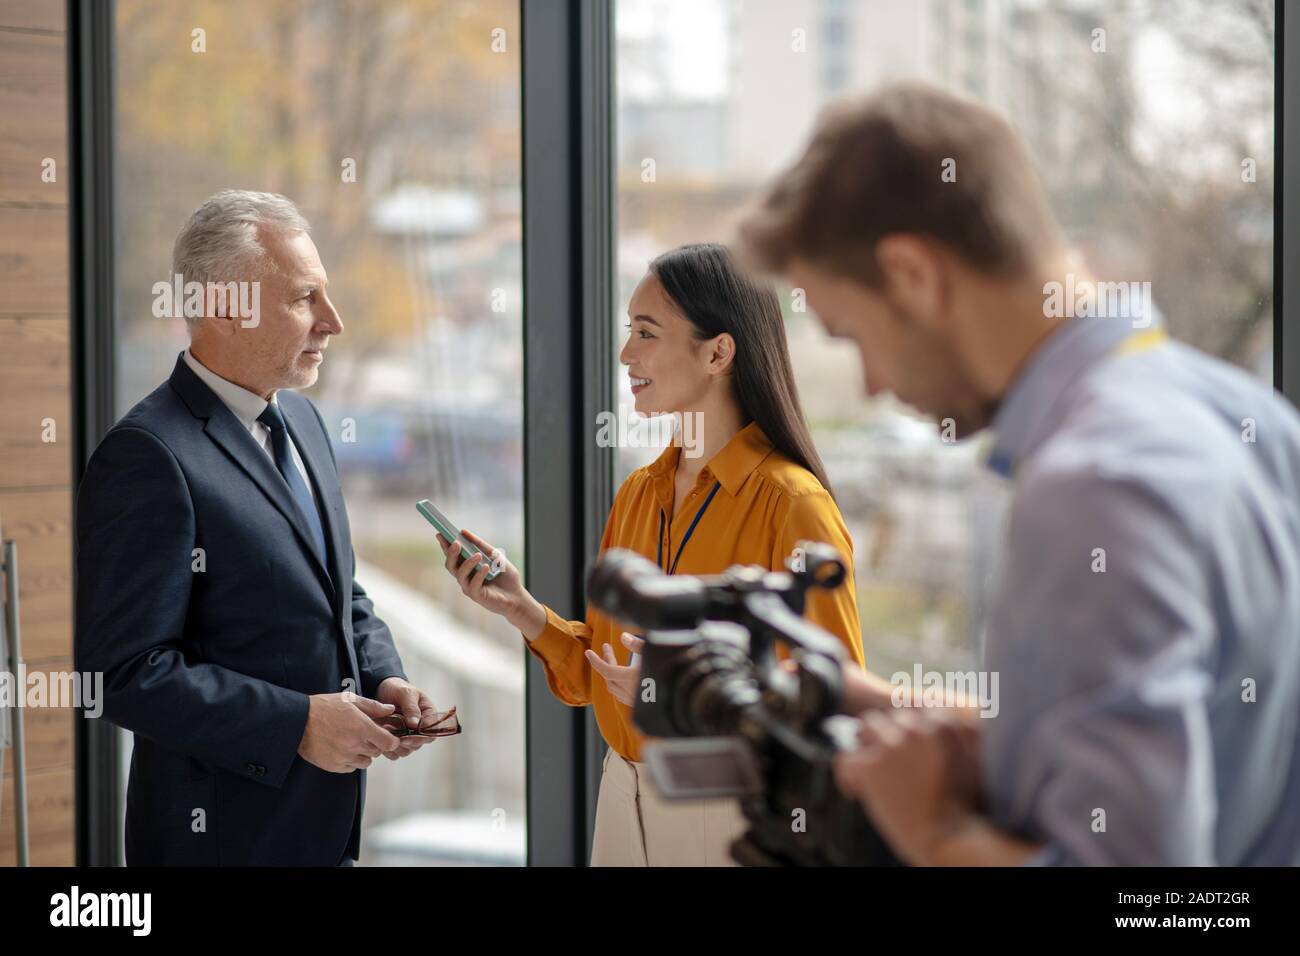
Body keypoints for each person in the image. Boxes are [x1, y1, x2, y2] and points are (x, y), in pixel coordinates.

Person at [738, 82, 1300, 865]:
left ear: (913, 275)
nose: (869, 383)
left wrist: (933, 833)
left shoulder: (1093, 489)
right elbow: (1221, 752)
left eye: (850, 333)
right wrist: (893, 709)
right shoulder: (1251, 419)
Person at [438, 242, 868, 865]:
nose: (625, 354)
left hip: (727, 812)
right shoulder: (640, 494)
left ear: (718, 352)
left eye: (646, 332)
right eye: (628, 330)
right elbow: (599, 675)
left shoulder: (792, 505)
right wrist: (522, 607)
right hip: (623, 797)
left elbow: (835, 707)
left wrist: (687, 699)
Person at [76, 190, 442, 866]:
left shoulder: (302, 420)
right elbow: (122, 672)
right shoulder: (149, 454)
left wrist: (384, 680)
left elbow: (342, 596)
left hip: (325, 833)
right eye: (305, 299)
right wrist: (297, 725)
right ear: (223, 307)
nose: (332, 322)